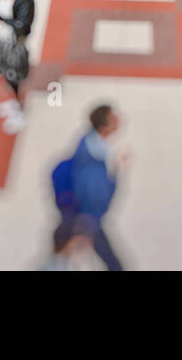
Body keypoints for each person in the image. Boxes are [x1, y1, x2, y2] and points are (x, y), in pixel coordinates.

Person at [68, 104, 127, 271]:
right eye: (114, 118)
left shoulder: (90, 144)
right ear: (104, 128)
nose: (119, 120)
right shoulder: (93, 168)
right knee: (115, 266)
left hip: (86, 219)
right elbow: (98, 197)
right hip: (89, 221)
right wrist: (115, 172)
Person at [0, 0, 34, 135]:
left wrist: (1, 19)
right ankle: (13, 102)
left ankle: (17, 110)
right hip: (3, 39)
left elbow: (23, 24)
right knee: (2, 71)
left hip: (15, 42)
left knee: (13, 75)